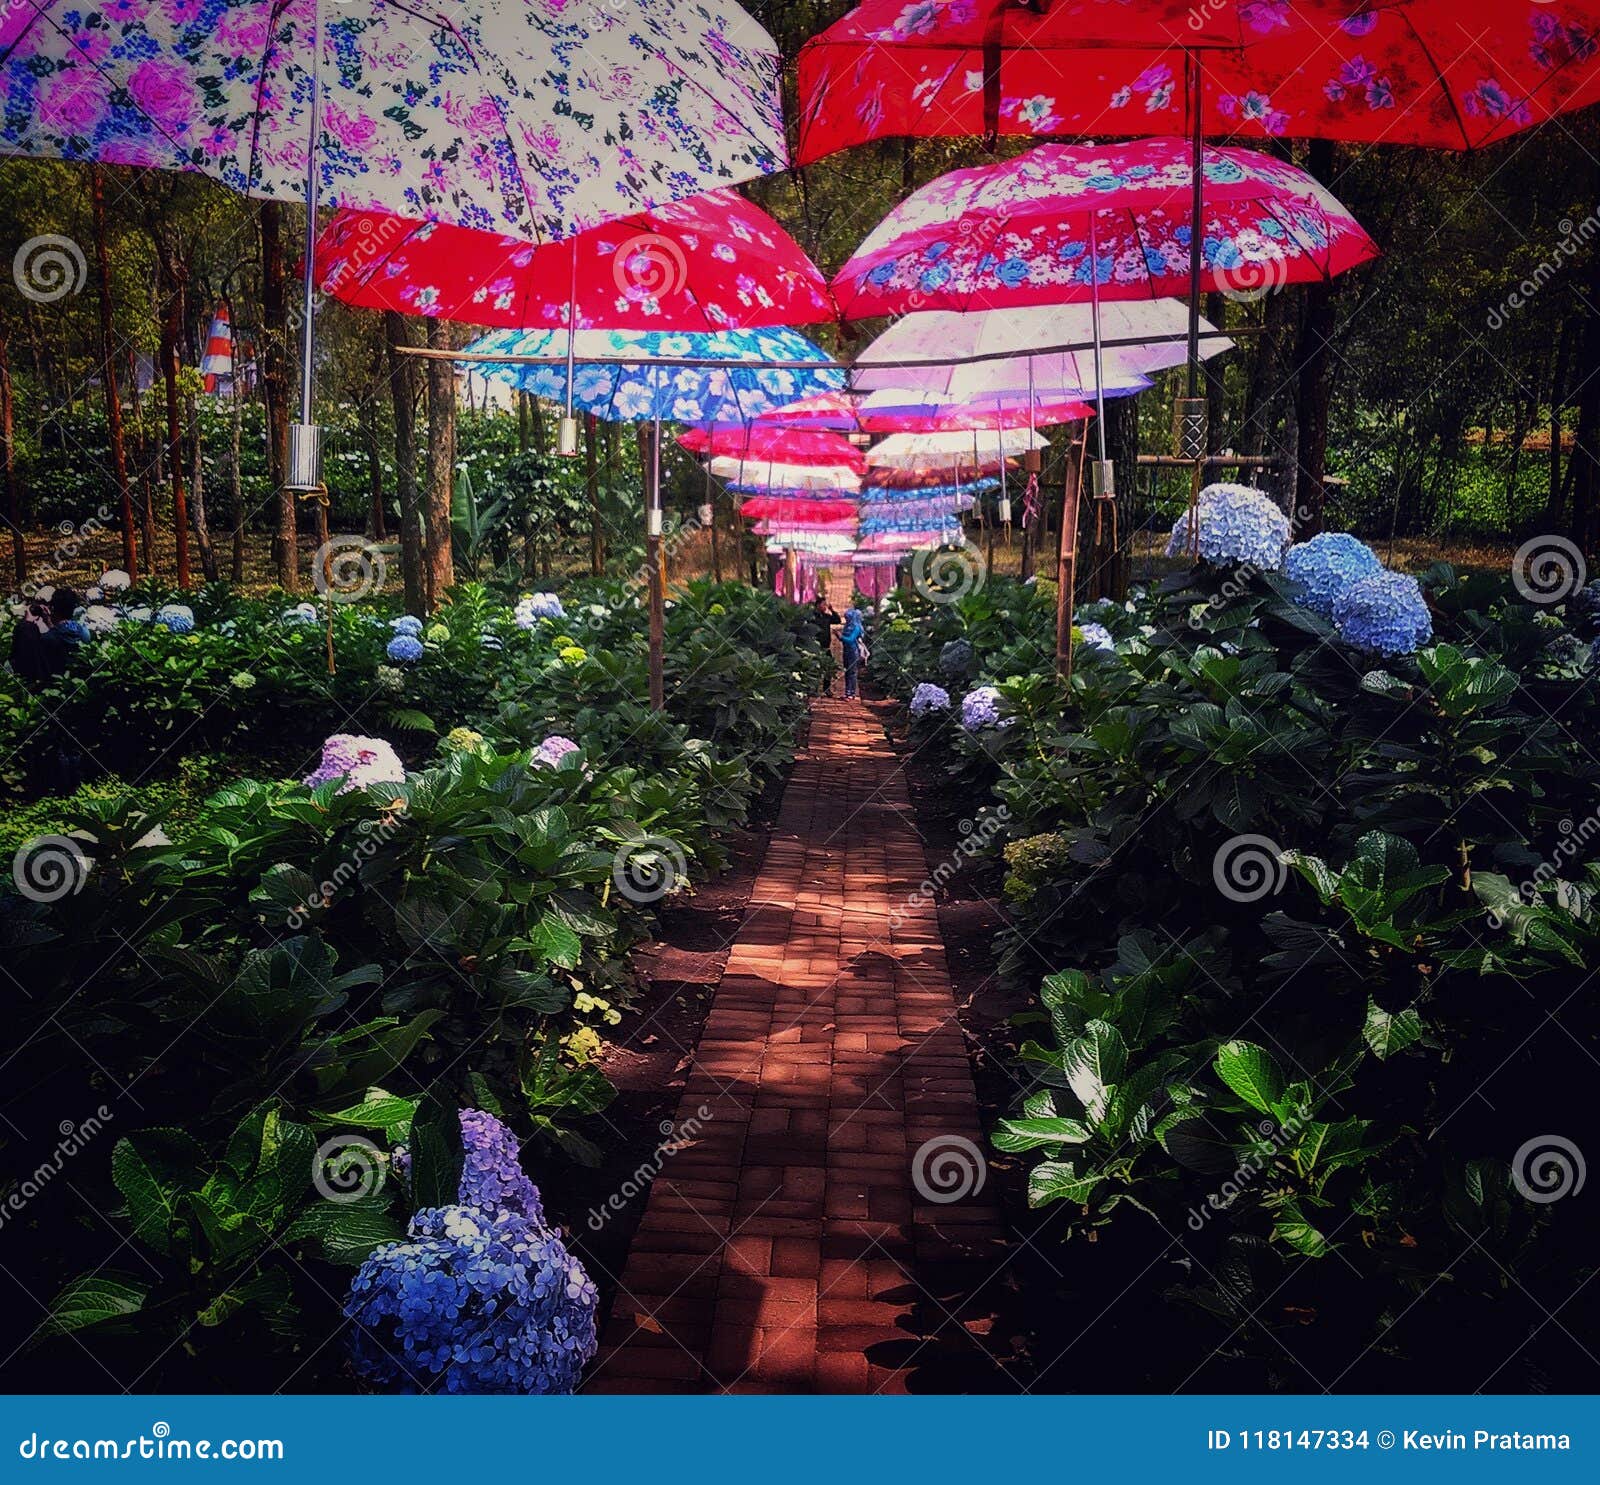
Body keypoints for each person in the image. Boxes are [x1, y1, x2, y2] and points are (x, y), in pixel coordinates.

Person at [810, 593, 840, 695]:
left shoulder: (827, 616)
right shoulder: (812, 617)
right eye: (823, 604)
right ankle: (813, 689)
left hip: (826, 646)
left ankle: (827, 689)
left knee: (829, 667)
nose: (825, 606)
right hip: (815, 646)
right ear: (817, 605)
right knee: (815, 667)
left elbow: (837, 620)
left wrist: (832, 610)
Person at [840, 605, 865, 701]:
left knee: (852, 672)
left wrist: (841, 637)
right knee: (847, 671)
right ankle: (847, 692)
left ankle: (852, 693)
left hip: (853, 651)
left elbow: (850, 640)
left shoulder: (856, 628)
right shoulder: (847, 627)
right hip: (846, 651)